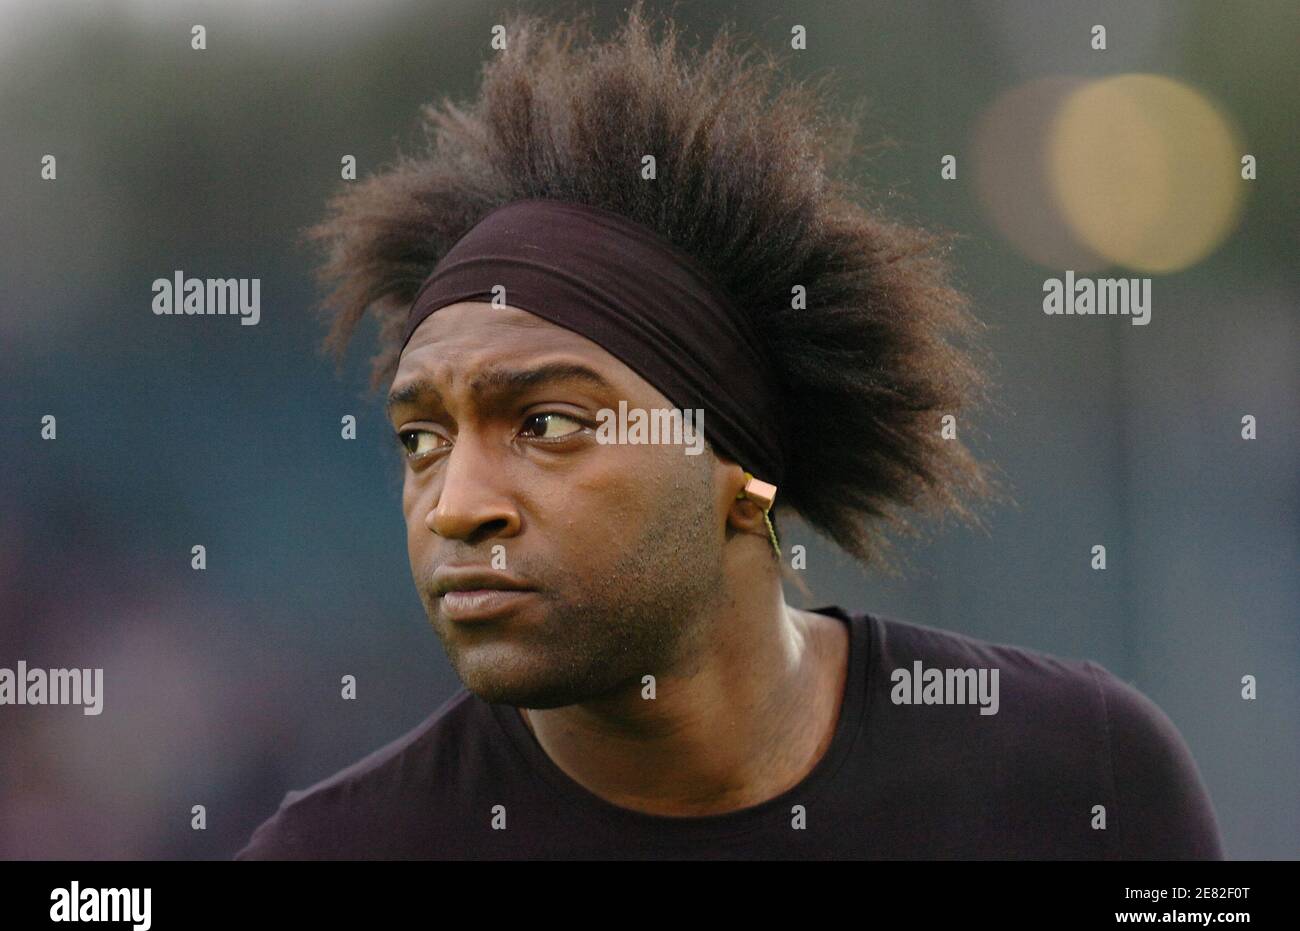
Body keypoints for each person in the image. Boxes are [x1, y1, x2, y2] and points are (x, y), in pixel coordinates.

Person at [236, 3, 1222, 860]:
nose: (456, 508)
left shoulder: (1079, 775)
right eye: (422, 440)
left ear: (733, 472)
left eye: (544, 423)